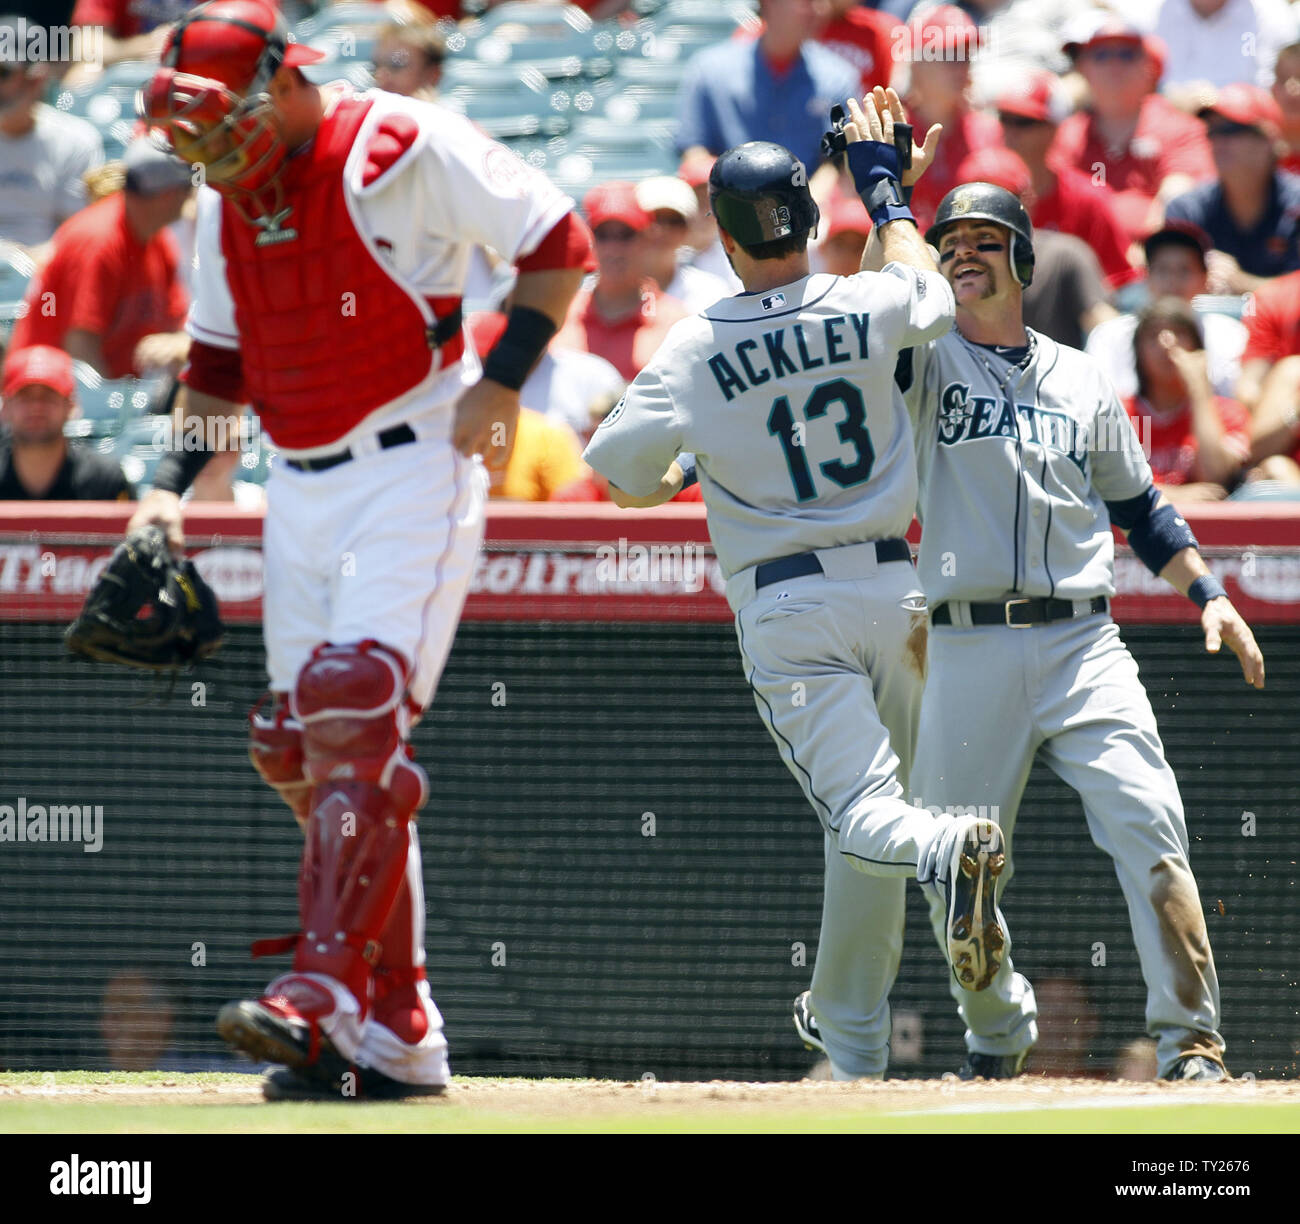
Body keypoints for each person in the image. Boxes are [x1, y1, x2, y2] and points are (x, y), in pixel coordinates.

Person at [129, 0, 590, 1101]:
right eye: (190, 132)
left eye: (221, 120)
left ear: (288, 77)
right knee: (302, 748)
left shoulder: (396, 141)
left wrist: (502, 379)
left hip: (412, 454)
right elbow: (217, 361)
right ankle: (399, 1029)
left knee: (350, 706)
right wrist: (159, 494)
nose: (206, 148)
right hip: (298, 482)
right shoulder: (223, 198)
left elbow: (557, 243)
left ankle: (324, 991)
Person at [583, 90, 1015, 1082]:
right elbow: (928, 297)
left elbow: (620, 477)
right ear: (811, 219)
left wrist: (702, 458)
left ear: (723, 239)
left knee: (871, 816)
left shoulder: (693, 345)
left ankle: (945, 857)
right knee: (861, 828)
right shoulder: (865, 298)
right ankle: (865, 1036)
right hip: (898, 595)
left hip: (786, 603)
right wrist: (888, 191)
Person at [883, 178, 1264, 1082]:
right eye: (951, 243)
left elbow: (1141, 507)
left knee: (1152, 823)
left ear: (1021, 255)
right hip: (966, 640)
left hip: (1084, 642)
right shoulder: (921, 362)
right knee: (954, 869)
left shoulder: (1082, 376)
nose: (963, 254)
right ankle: (997, 1031)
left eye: (983, 239)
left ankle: (1191, 1046)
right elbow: (888, 281)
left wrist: (1206, 590)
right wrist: (886, 195)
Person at [10, 138, 192, 380]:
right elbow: (80, 350)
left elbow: (178, 322)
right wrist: (116, 407)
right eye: (187, 188)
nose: (192, 196)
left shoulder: (157, 238)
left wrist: (178, 343)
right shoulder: (99, 241)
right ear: (169, 195)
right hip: (46, 398)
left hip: (124, 391)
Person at [1052, 16, 1215, 245]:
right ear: (1083, 67)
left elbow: (1178, 199)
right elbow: (1054, 200)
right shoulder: (1067, 134)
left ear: (1148, 66)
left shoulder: (1179, 127)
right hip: (1083, 261)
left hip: (1155, 262)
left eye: (1127, 54)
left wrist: (1148, 251)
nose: (1114, 65)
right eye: (1101, 55)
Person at [953, 147, 1117, 350]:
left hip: (1050, 377)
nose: (988, 213)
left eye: (1001, 201)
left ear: (1028, 199)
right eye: (975, 203)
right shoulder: (947, 261)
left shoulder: (1063, 256)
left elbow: (1105, 326)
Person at [673, 0, 859, 175]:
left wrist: (806, 204)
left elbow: (836, 166)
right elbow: (694, 153)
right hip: (730, 201)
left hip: (814, 204)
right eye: (807, 1)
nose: (820, 9)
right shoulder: (709, 69)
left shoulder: (838, 76)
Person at [993, 69, 1136, 289]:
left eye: (1023, 122)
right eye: (1005, 119)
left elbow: (1120, 281)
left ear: (1053, 128)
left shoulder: (1088, 199)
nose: (1010, 131)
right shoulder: (982, 190)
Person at [1086, 223, 1248, 401]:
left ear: (1205, 278)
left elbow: (1238, 405)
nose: (1172, 281)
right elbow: (1098, 406)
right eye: (1162, 270)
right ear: (1146, 277)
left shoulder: (1229, 334)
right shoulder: (1109, 335)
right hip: (1133, 428)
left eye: (1184, 271)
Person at [1163, 84, 1300, 293]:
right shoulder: (1186, 210)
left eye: (1231, 130)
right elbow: (1166, 294)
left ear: (1269, 139)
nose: (1219, 142)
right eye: (1212, 131)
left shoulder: (1296, 203)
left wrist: (1242, 283)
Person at [553, 181, 689, 382]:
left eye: (626, 235)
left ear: (647, 239)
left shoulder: (676, 323)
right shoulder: (561, 313)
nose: (613, 249)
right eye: (603, 235)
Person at [1124, 298, 1251, 504]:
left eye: (1179, 333)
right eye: (1153, 335)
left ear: (1197, 346)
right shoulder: (1118, 412)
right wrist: (1170, 496)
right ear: (1138, 351)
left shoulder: (1228, 412)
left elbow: (1215, 474)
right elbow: (1106, 486)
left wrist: (1200, 392)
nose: (1167, 343)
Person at [890, 4, 1001, 235]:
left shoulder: (989, 133)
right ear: (917, 63)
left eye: (966, 56)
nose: (961, 68)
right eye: (950, 56)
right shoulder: (888, 130)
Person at [0, 33, 103, 259]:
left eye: (3, 73)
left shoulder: (75, 140)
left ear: (36, 79)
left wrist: (20, 264)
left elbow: (78, 236)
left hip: (43, 278)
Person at [0, 344, 133, 499]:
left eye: (48, 396)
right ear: (5, 407)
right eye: (25, 397)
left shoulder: (105, 478)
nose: (36, 407)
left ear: (71, 406)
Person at [1151, 0, 1299, 99]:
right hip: (1163, 125)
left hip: (1246, 129)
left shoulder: (1276, 15)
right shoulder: (1142, 12)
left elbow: (1283, 90)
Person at [634, 176, 732, 314]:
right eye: (653, 219)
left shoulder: (712, 293)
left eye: (674, 221)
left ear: (688, 230)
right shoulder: (605, 291)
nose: (662, 230)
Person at [371, 20, 447, 102]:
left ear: (432, 76)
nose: (380, 76)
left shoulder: (440, 113)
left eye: (396, 66)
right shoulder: (367, 109)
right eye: (375, 67)